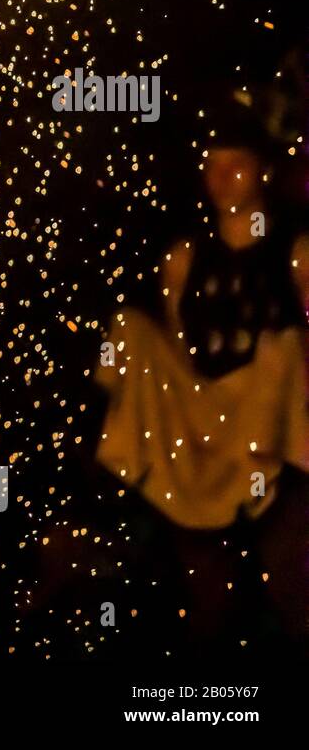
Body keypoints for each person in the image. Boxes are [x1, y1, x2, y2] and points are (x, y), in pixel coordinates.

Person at [96, 106, 309, 653]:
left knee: (280, 348)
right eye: (212, 168)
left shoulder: (295, 252)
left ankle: (257, 479)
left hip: (265, 415)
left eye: (234, 167)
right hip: (200, 409)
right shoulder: (186, 256)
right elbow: (173, 337)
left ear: (259, 170)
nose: (222, 181)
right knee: (129, 328)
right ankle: (139, 465)